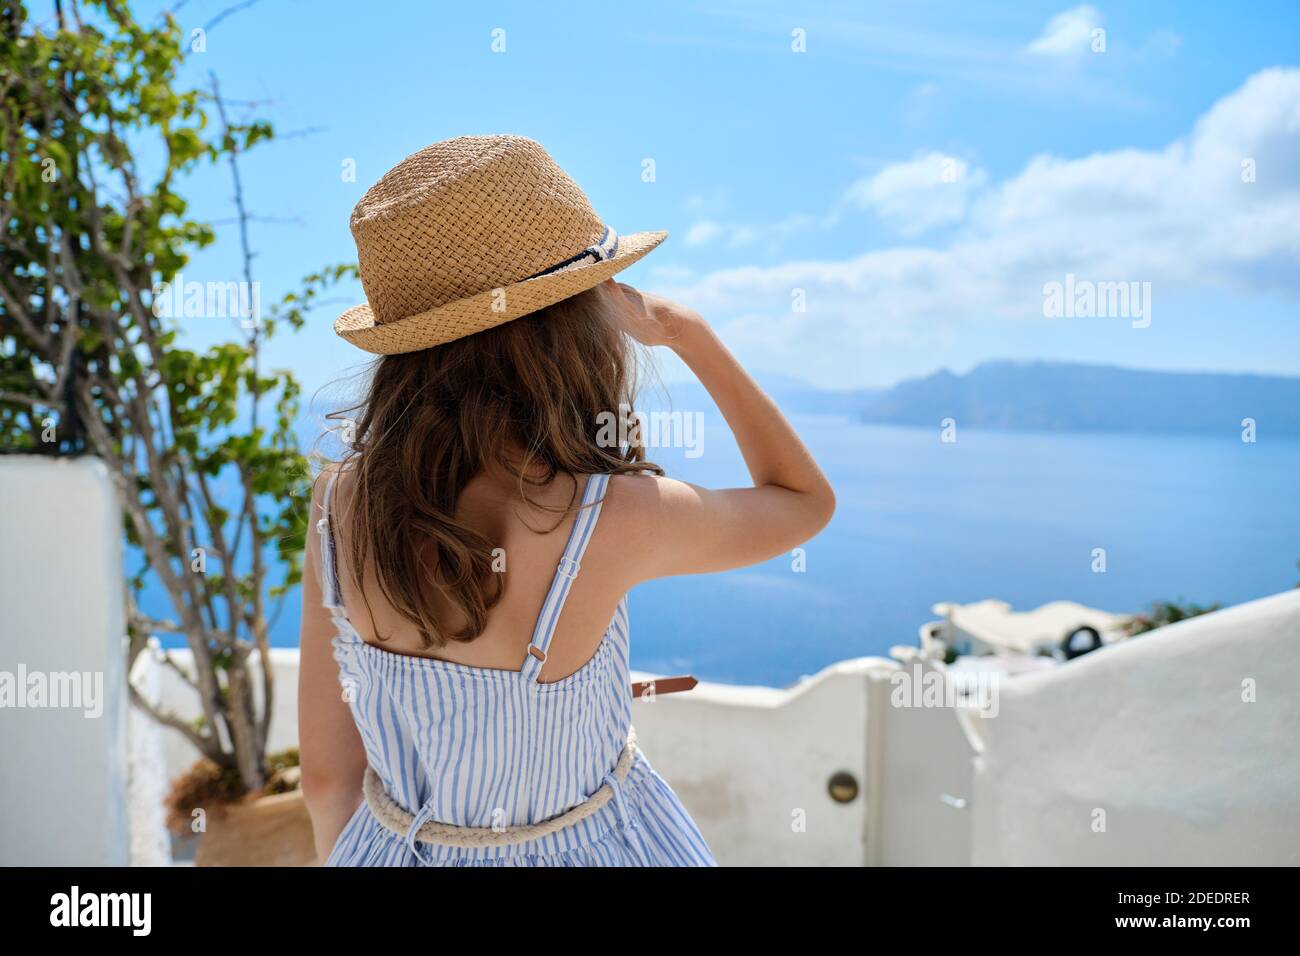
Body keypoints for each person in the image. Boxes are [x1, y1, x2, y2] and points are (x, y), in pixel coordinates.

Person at [298, 135, 835, 866]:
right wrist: (689, 334)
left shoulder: (340, 504)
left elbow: (328, 780)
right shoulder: (615, 514)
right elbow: (803, 501)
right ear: (577, 324)